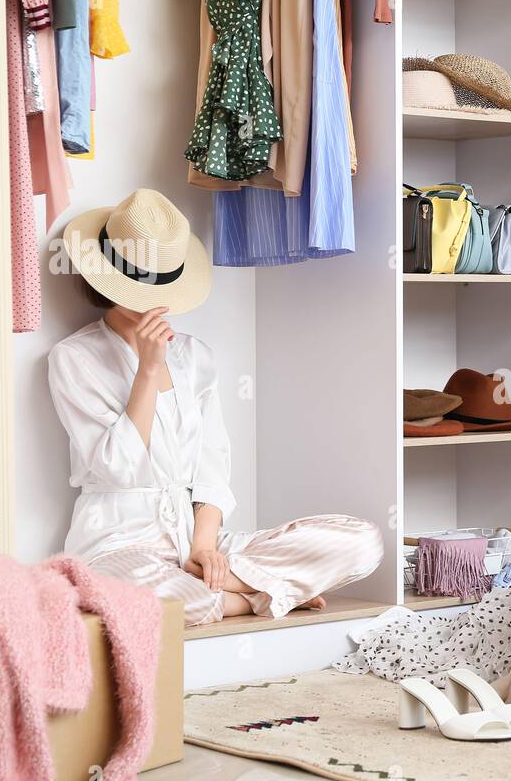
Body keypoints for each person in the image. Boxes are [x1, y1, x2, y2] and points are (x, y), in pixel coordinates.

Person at [48, 189, 382, 625]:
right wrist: (148, 370)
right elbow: (118, 468)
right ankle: (261, 595)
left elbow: (212, 467)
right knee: (183, 603)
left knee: (363, 542)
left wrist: (204, 549)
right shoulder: (74, 358)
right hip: (119, 546)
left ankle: (235, 584)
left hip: (197, 541)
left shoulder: (196, 356)